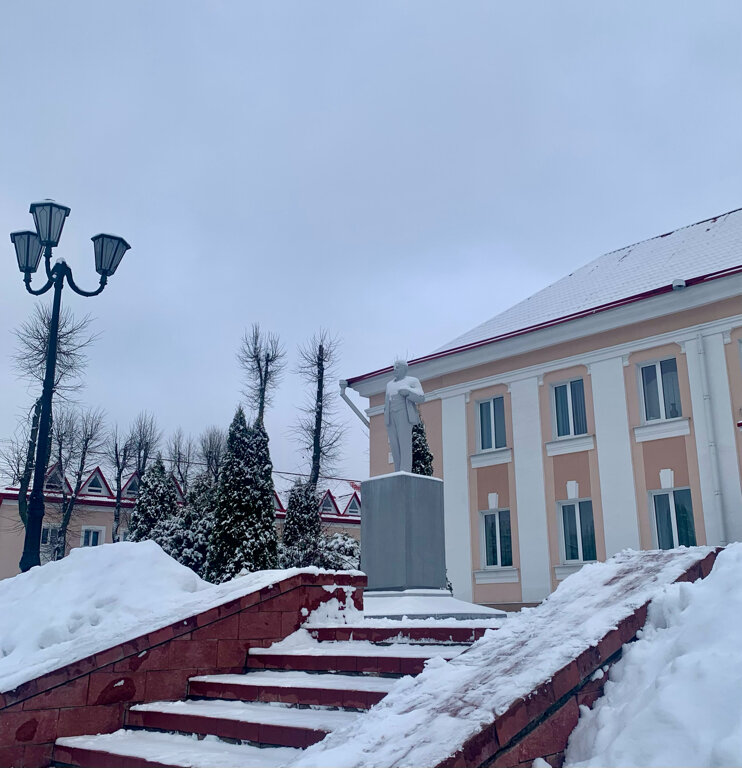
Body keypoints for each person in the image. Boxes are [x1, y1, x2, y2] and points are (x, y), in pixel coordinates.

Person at [384, 359, 425, 473]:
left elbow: (421, 397)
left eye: (398, 367)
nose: (395, 369)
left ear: (404, 369)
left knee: (404, 444)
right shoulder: (389, 385)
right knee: (394, 446)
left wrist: (408, 393)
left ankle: (405, 471)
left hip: (404, 414)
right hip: (391, 417)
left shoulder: (412, 381)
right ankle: (397, 471)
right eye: (394, 367)